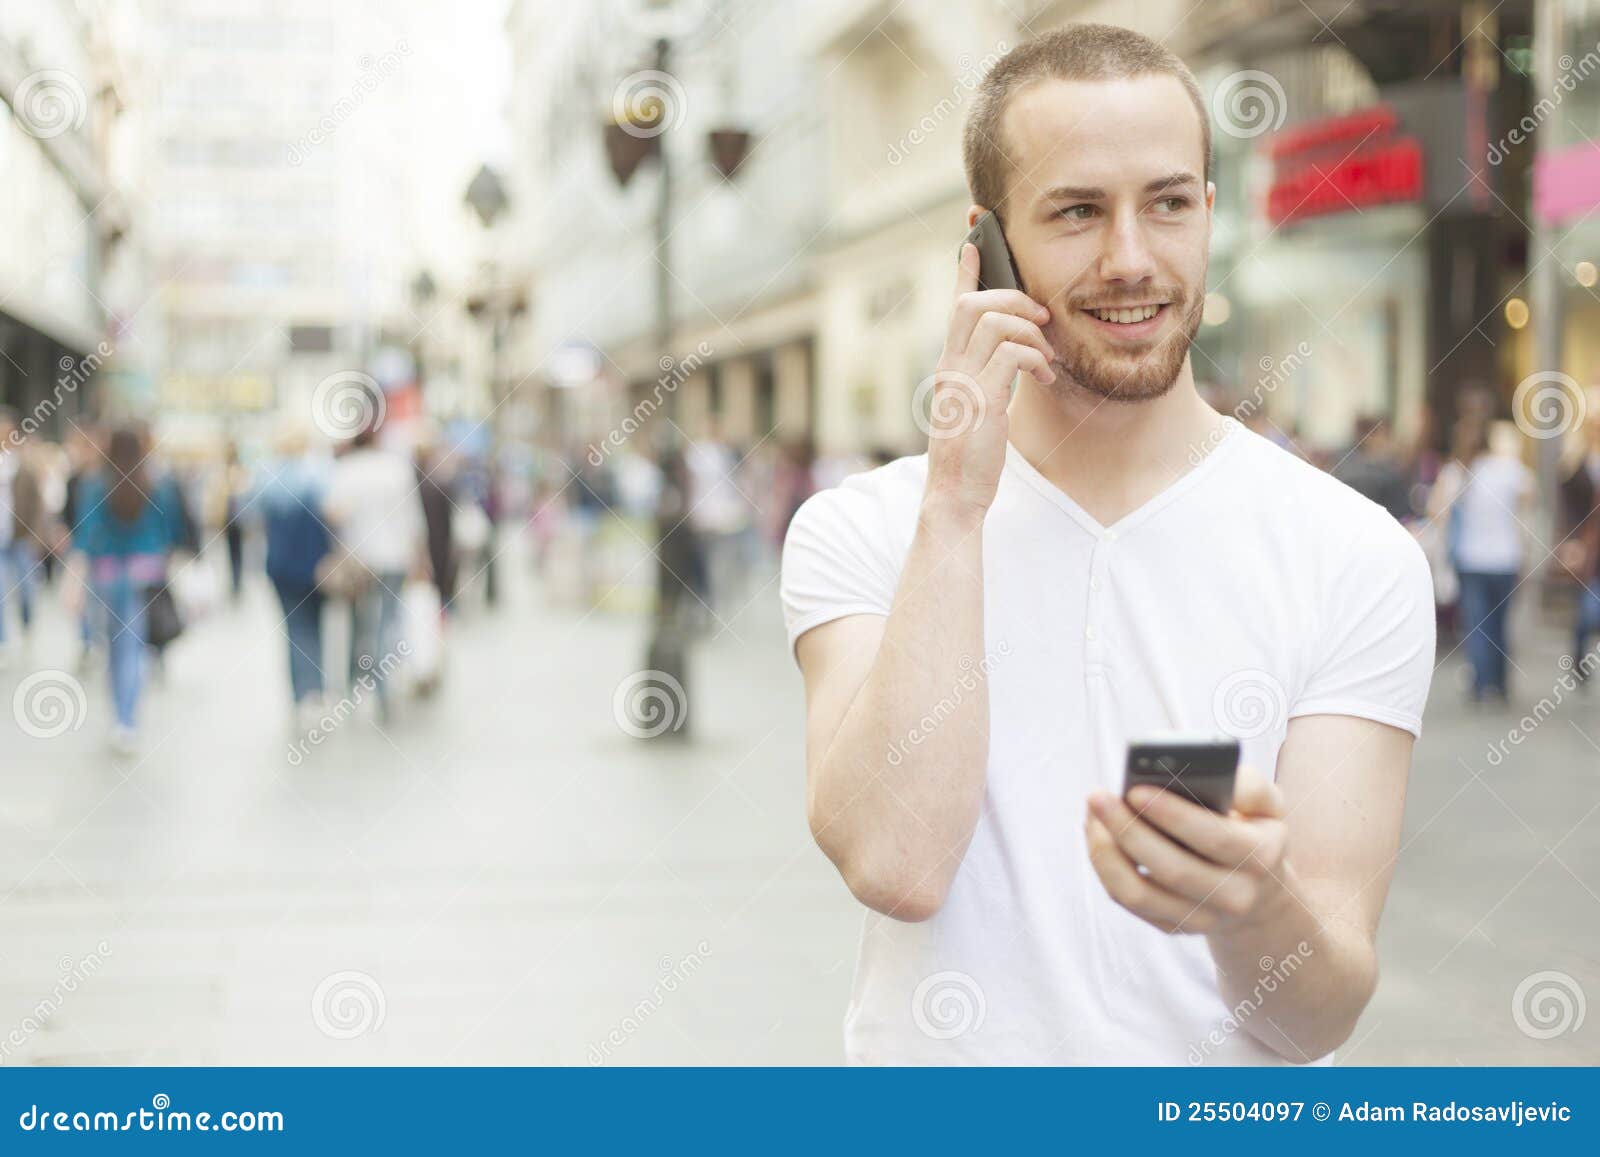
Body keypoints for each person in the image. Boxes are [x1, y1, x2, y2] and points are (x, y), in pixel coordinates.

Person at [779, 25, 1435, 1065]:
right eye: (1077, 211)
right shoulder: (865, 530)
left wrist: (1250, 904)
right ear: (986, 249)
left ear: (1209, 215)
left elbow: (1317, 1016)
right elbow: (895, 861)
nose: (1131, 259)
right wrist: (957, 497)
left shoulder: (1352, 554)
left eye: (1168, 203)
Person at [74, 423, 186, 754]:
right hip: (143, 573)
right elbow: (170, 532)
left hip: (107, 575)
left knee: (114, 646)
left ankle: (119, 719)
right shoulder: (157, 484)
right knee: (133, 646)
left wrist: (76, 577)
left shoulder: (96, 484)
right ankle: (128, 720)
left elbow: (86, 534)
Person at [323, 408, 422, 723]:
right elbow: (412, 518)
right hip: (393, 556)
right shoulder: (396, 468)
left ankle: (353, 683)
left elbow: (333, 513)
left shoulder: (346, 469)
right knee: (386, 622)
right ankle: (381, 688)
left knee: (357, 622)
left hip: (359, 558)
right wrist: (419, 557)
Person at [1436, 418, 1533, 703]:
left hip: (1471, 559)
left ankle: (1480, 684)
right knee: (1500, 624)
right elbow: (1530, 497)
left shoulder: (1457, 472)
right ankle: (1500, 683)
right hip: (1506, 558)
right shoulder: (1509, 470)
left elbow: (1437, 511)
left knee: (1477, 623)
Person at [256, 422, 331, 722]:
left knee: (294, 629)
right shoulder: (318, 476)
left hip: (281, 567)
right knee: (316, 626)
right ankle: (316, 688)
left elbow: (251, 518)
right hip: (315, 564)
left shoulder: (267, 479)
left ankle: (301, 692)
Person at [1557, 387, 1600, 676]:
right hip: (1588, 546)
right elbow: (1568, 505)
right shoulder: (1577, 462)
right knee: (1587, 608)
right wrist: (1571, 541)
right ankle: (1579, 657)